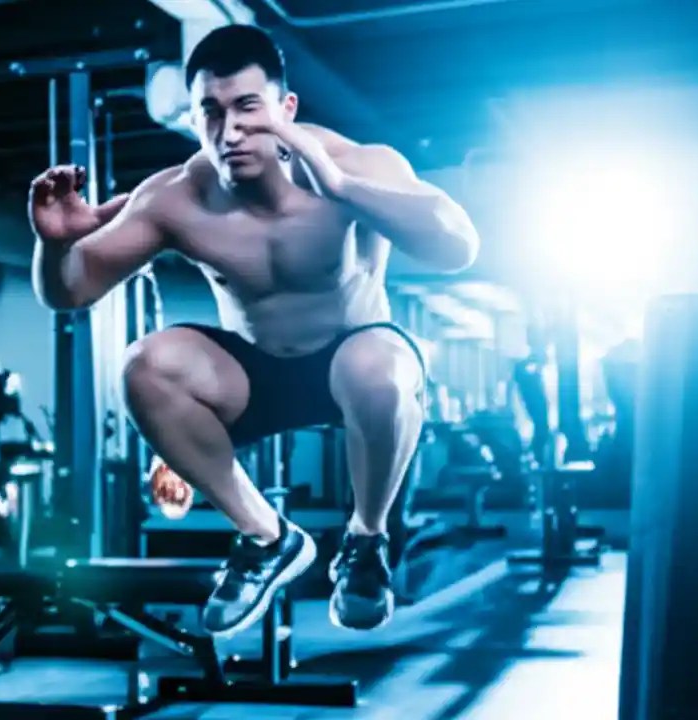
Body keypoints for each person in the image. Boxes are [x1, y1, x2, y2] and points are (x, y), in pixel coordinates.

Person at [30, 24, 479, 636]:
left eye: (248, 107)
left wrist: (342, 189)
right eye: (211, 112)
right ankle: (267, 539)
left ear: (285, 108)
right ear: (193, 117)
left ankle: (366, 539)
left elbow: (458, 247)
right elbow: (70, 292)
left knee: (377, 367)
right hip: (254, 377)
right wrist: (56, 245)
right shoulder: (175, 197)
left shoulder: (358, 164)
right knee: (145, 366)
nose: (230, 130)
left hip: (355, 368)